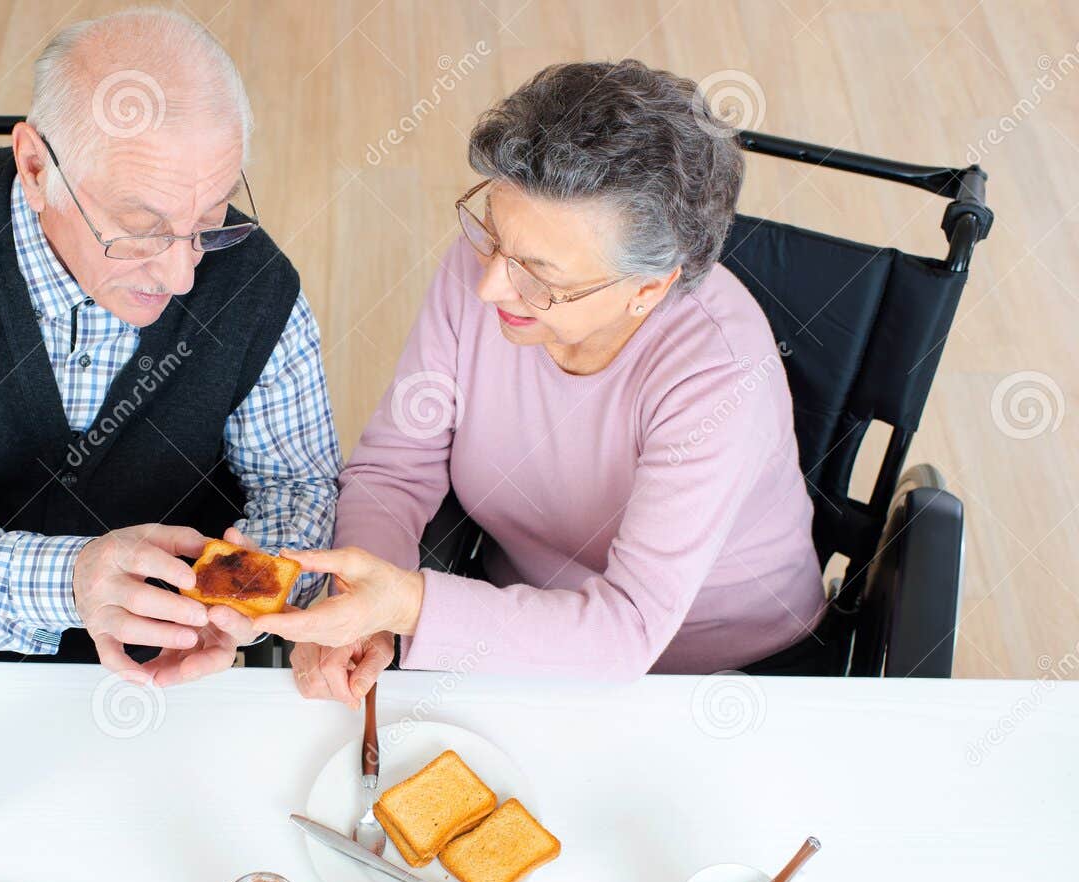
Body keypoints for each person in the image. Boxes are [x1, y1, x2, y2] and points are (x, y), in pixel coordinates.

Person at [255, 60, 825, 706]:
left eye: (538, 273)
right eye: (494, 236)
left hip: (716, 677)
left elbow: (625, 632)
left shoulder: (718, 378)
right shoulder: (487, 272)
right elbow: (393, 468)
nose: (490, 286)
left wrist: (408, 605)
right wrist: (359, 607)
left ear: (649, 287)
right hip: (511, 630)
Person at [0, 7, 339, 686]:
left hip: (177, 657)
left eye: (209, 222)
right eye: (140, 228)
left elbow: (296, 485)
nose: (183, 276)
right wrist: (71, 580)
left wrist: (242, 598)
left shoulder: (258, 285)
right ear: (35, 168)